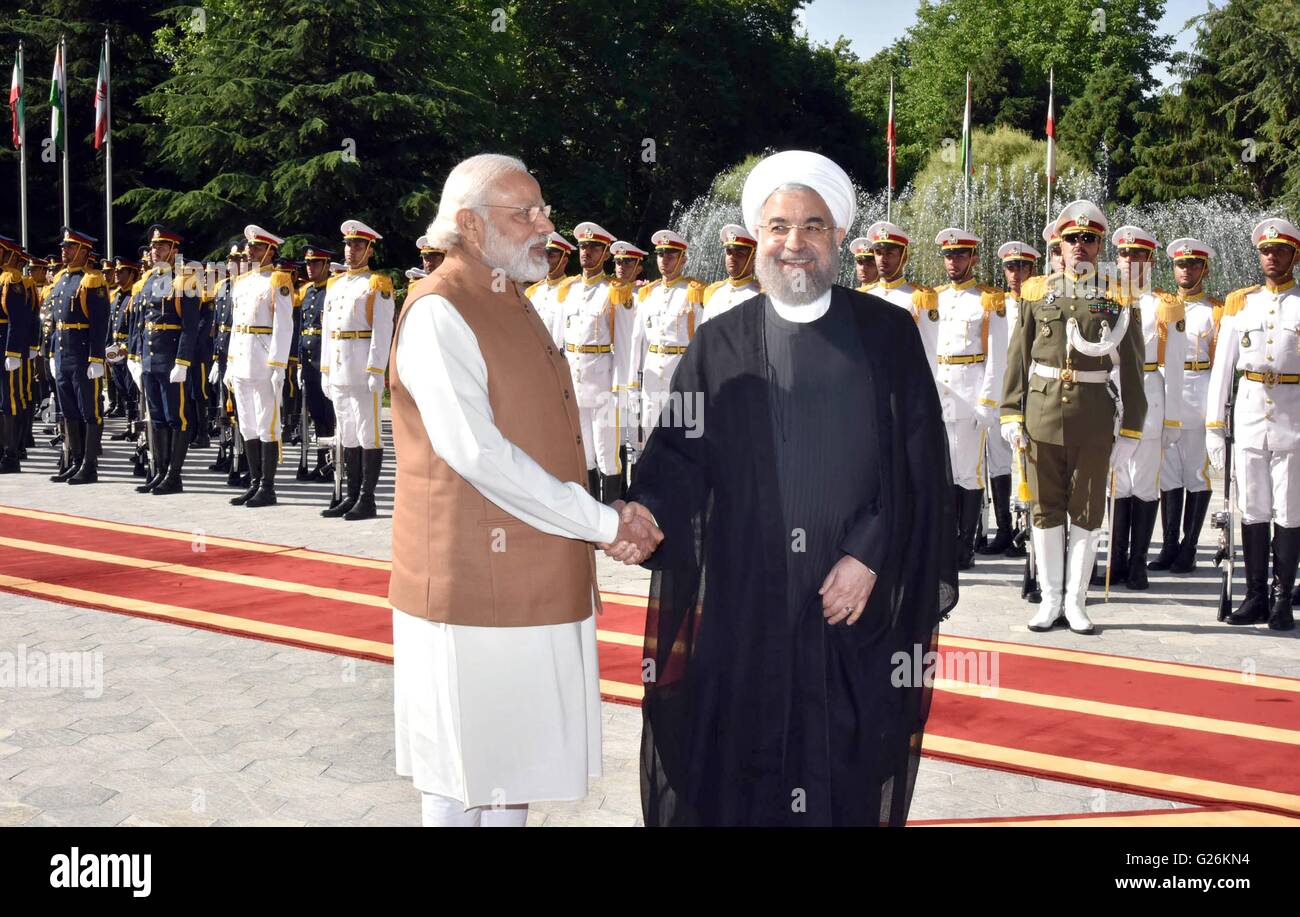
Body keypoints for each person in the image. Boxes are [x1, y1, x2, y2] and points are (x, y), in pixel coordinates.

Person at [624, 150, 957, 826]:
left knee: (843, 779)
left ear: (838, 238)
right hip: (747, 609)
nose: (794, 243)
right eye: (778, 227)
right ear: (757, 238)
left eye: (812, 226)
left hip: (851, 610)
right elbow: (677, 461)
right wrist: (645, 514)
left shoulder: (887, 336)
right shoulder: (718, 343)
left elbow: (919, 466)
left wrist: (869, 553)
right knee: (741, 776)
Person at [387, 153, 661, 827]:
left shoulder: (511, 299)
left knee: (512, 770)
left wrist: (606, 513)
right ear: (472, 227)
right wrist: (602, 522)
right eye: (526, 212)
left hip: (535, 574)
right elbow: (478, 454)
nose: (546, 224)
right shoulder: (439, 311)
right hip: (471, 586)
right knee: (460, 776)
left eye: (543, 209)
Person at [1000, 200, 1147, 634]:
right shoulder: (1034, 291)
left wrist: (1133, 430)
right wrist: (1010, 412)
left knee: (1086, 510)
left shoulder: (1118, 294)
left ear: (1099, 246)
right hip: (1042, 414)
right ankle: (1049, 600)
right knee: (1044, 509)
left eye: (1088, 239)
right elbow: (1017, 357)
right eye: (1071, 239)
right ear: (1058, 245)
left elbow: (1135, 368)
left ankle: (1077, 602)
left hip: (1094, 415)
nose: (1079, 246)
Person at [1206, 218, 1300, 631]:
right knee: (1254, 508)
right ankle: (1255, 595)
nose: (1272, 257)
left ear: (1294, 255)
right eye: (1265, 250)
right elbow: (1223, 370)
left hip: (1293, 416)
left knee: (1290, 510)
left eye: (1280, 250)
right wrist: (1213, 427)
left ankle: (1282, 599)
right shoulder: (1240, 303)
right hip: (1248, 416)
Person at [1098, 226, 1185, 590]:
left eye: (1138, 255)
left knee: (1145, 483)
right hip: (1109, 391)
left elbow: (1176, 365)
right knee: (1116, 482)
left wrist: (1173, 420)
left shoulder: (1164, 305)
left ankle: (1138, 563)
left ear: (1149, 261)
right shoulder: (1102, 298)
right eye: (1124, 255)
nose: (1130, 261)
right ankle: (1115, 561)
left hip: (1148, 389)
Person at [932, 228, 1007, 569]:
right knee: (943, 473)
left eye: (960, 254)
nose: (953, 261)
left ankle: (965, 544)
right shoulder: (934, 298)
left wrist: (988, 402)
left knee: (969, 474)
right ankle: (945, 539)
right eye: (948, 255)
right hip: (940, 391)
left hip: (970, 390)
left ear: (974, 257)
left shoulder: (989, 300)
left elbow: (998, 357)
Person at [1150, 238, 1221, 574]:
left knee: (1195, 473)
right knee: (1168, 474)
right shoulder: (1162, 305)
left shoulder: (1215, 311)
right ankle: (1168, 545)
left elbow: (1221, 363)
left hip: (1198, 392)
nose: (1186, 269)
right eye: (1181, 264)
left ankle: (1189, 547)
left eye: (1193, 263)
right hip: (1165, 389)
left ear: (1204, 269)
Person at [319, 219, 394, 520]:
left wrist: (377, 369)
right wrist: (325, 368)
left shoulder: (377, 284)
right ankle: (350, 495)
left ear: (370, 249)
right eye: (348, 244)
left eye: (358, 245)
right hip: (338, 364)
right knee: (347, 433)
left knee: (368, 432)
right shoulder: (334, 284)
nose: (351, 250)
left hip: (363, 365)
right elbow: (327, 329)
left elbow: (382, 329)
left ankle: (368, 498)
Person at [558, 221, 633, 501]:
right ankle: (590, 514)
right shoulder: (569, 290)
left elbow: (624, 347)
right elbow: (561, 342)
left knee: (607, 456)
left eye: (593, 247)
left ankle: (614, 513)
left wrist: (620, 390)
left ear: (605, 254)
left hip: (603, 386)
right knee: (585, 454)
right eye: (583, 247)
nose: (586, 252)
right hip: (576, 385)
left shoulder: (615, 292)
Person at [226, 225, 295, 508]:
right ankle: (254, 482)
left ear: (270, 250)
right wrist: (229, 363)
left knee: (267, 424)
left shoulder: (278, 280)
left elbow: (284, 326)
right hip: (242, 356)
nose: (250, 251)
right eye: (249, 247)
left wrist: (278, 365)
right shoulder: (242, 282)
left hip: (264, 357)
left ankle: (268, 486)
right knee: (248, 425)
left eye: (255, 247)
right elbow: (235, 326)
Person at [983, 241, 1041, 561]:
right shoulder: (997, 305)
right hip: (1001, 395)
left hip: (1033, 390)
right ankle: (1005, 527)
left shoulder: (1041, 301)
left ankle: (1029, 527)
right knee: (999, 462)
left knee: (1030, 465)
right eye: (1010, 267)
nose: (1015, 274)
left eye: (1022, 267)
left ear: (1033, 269)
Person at [45, 228, 110, 485]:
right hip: (63, 352)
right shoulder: (61, 279)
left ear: (84, 252)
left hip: (83, 353)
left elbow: (99, 323)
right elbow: (53, 321)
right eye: (64, 247)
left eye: (70, 247)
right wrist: (51, 352)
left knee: (89, 410)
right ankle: (75, 459)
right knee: (69, 410)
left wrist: (96, 358)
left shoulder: (92, 280)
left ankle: (90, 466)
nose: (65, 250)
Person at [867, 220, 939, 367]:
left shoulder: (919, 298)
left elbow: (929, 352)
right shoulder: (864, 295)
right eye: (878, 253)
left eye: (890, 253)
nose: (882, 259)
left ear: (904, 257)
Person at [296, 245, 338, 480]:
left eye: (315, 264)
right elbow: (301, 329)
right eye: (308, 264)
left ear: (326, 266)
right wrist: (299, 362)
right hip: (310, 362)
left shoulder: (332, 290)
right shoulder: (307, 292)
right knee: (317, 416)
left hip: (326, 362)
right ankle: (322, 462)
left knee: (330, 416)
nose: (310, 268)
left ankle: (334, 463)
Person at [0, 236, 34, 473]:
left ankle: (11, 454)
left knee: (8, 400)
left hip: (5, 346)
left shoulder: (11, 280)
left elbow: (18, 319)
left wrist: (13, 351)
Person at [699, 224, 761, 324]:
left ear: (753, 259)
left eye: (739, 254)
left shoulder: (761, 296)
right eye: (729, 252)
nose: (732, 257)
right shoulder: (712, 291)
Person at [523, 231, 575, 348]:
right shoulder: (533, 291)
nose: (546, 260)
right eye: (544, 255)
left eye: (551, 256)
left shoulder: (573, 290)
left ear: (564, 260)